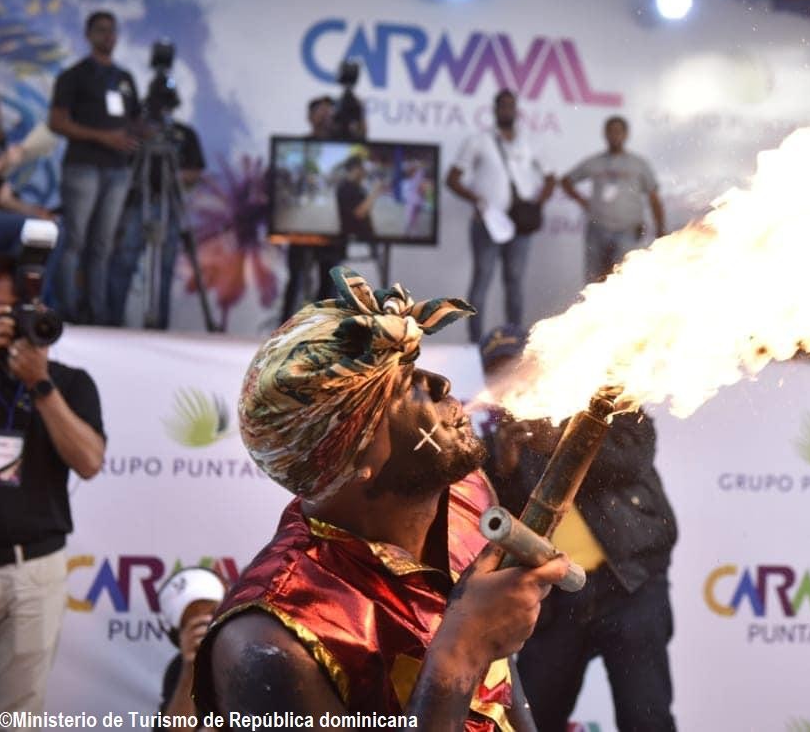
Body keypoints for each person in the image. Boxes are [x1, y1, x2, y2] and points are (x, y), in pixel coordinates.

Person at [192, 267, 568, 728]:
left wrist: (481, 647)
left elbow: (505, 693)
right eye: (399, 385)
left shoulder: (468, 496)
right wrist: (460, 654)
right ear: (353, 455)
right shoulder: (270, 639)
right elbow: (474, 658)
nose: (437, 385)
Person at [479, 326, 678, 732]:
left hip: (629, 585)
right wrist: (507, 470)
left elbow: (634, 457)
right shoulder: (496, 441)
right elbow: (500, 529)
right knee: (534, 720)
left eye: (518, 366)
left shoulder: (600, 401)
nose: (512, 379)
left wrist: (564, 443)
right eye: (499, 372)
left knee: (646, 716)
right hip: (555, 604)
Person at [0, 252, 107, 711]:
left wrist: (40, 385)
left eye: (17, 313)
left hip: (34, 569)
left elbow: (88, 461)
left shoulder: (70, 382)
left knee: (20, 712)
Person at [47, 10, 141, 325]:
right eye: (101, 31)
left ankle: (97, 313)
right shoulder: (74, 75)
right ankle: (66, 310)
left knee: (102, 244)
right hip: (83, 167)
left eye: (112, 31)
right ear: (88, 35)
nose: (108, 37)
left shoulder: (125, 78)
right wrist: (103, 137)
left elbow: (135, 121)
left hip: (119, 170)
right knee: (74, 240)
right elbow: (56, 121)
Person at [446, 90, 553, 344]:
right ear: (494, 110)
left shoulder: (530, 142)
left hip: (519, 223)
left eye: (511, 105)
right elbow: (452, 179)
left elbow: (551, 177)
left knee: (515, 281)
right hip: (487, 223)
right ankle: (474, 341)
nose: (506, 109)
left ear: (516, 110)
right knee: (481, 279)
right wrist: (478, 201)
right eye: (502, 105)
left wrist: (537, 203)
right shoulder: (478, 140)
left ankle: (515, 340)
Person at [105, 102, 206, 328]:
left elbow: (195, 171)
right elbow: (123, 169)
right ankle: (111, 321)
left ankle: (159, 324)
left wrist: (171, 174)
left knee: (166, 265)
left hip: (169, 204)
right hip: (137, 203)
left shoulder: (183, 135)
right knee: (124, 259)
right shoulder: (135, 135)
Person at [561, 116, 666, 283]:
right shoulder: (595, 162)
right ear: (605, 134)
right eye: (611, 131)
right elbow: (566, 181)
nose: (614, 135)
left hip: (628, 231)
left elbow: (653, 197)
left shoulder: (638, 164)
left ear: (625, 135)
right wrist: (583, 202)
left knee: (623, 281)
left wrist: (661, 230)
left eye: (618, 131)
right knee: (594, 282)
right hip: (598, 230)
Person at [279, 96, 345, 323]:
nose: (326, 117)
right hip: (300, 227)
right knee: (296, 278)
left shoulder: (342, 148)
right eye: (321, 112)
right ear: (310, 117)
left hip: (331, 228)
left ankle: (325, 333)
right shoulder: (296, 149)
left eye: (331, 112)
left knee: (330, 280)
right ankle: (284, 331)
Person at [156, 566, 226, 720]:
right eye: (192, 621)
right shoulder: (178, 668)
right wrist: (189, 668)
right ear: (178, 635)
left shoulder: (257, 651)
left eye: (212, 612)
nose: (205, 625)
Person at [335, 153, 385, 244]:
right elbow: (359, 213)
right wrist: (375, 192)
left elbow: (366, 208)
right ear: (356, 169)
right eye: (363, 168)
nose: (365, 171)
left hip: (365, 235)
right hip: (356, 240)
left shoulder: (358, 186)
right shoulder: (344, 188)